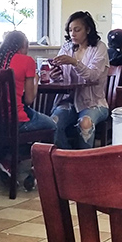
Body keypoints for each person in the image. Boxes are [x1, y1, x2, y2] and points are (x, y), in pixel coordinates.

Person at [0, 30, 56, 183]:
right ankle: (38, 171)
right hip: (18, 121)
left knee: (28, 120)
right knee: (51, 125)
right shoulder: (27, 61)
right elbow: (29, 99)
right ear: (24, 45)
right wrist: (36, 79)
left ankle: (8, 162)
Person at [50, 11, 109, 149]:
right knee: (52, 123)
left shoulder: (99, 48)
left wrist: (74, 62)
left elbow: (92, 76)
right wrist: (55, 75)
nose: (73, 34)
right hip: (68, 101)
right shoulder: (67, 47)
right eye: (70, 30)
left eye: (77, 30)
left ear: (88, 30)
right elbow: (61, 76)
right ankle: (68, 157)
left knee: (85, 123)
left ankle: (84, 163)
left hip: (94, 102)